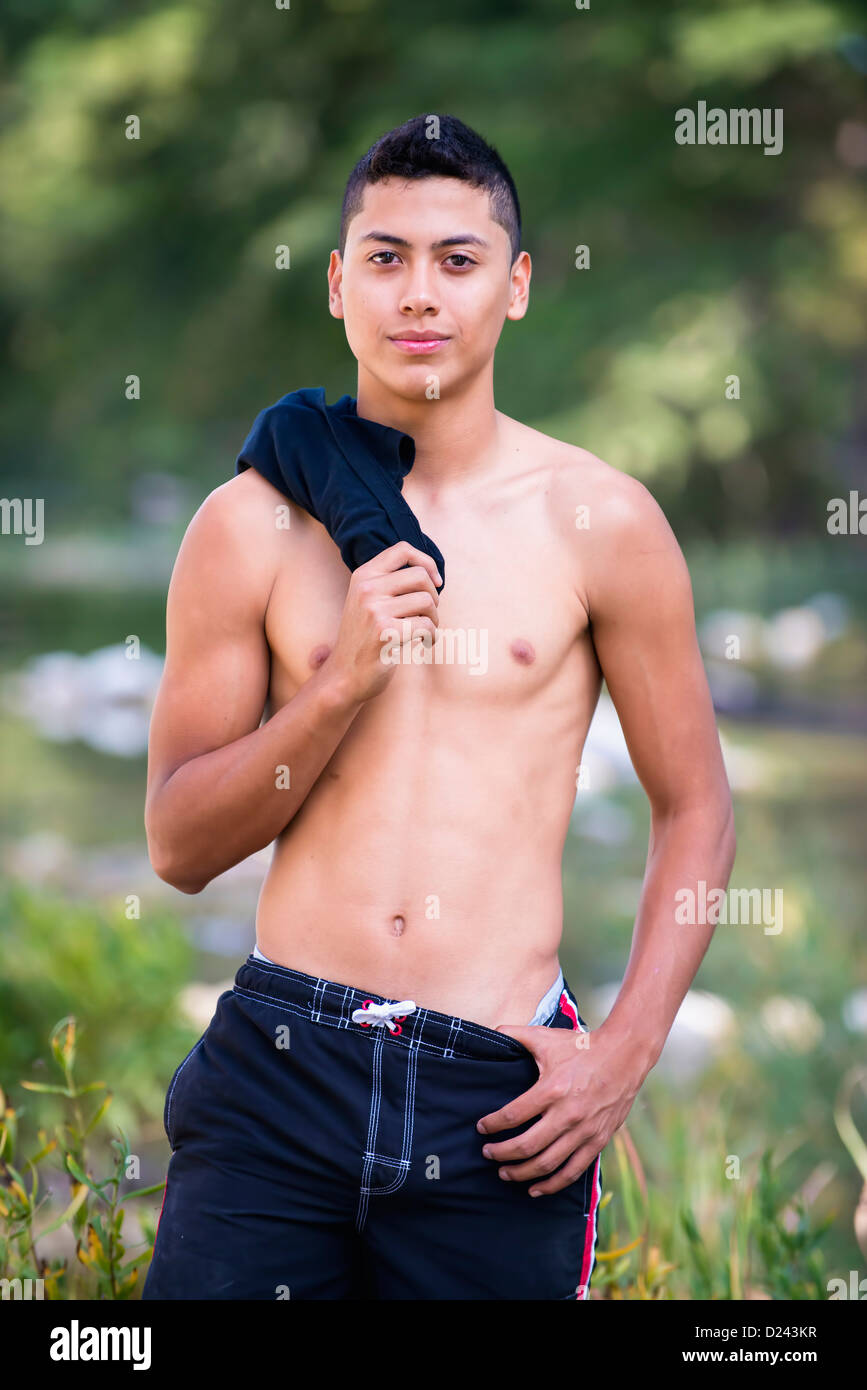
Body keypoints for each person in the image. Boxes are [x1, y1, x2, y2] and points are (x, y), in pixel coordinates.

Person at [141, 113, 736, 1301]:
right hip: (279, 1069)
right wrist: (342, 681)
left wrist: (623, 1054)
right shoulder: (247, 526)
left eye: (458, 261)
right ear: (337, 283)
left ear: (515, 287)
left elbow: (698, 808)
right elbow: (178, 845)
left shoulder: (601, 521)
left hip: (496, 1097)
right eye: (386, 257)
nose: (420, 294)